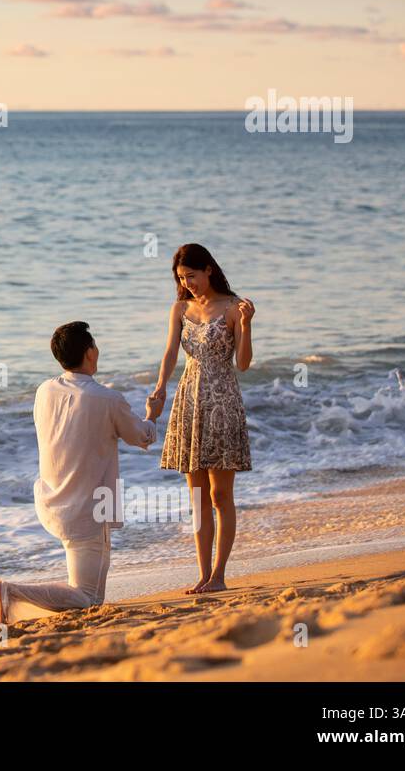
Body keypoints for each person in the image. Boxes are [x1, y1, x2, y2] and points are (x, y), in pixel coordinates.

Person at [0, 321, 160, 624]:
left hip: (52, 500)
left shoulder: (44, 390)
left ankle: (16, 601)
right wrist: (152, 415)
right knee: (89, 596)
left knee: (88, 586)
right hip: (89, 509)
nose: (97, 350)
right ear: (89, 353)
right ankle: (11, 593)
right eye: (94, 345)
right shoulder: (107, 398)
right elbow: (142, 437)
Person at [148, 243, 254, 594]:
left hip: (222, 401)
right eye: (181, 278)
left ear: (208, 269)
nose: (187, 283)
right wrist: (161, 387)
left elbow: (242, 363)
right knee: (197, 498)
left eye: (191, 275)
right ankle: (203, 574)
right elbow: (169, 353)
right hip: (189, 401)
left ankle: (220, 576)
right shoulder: (180, 308)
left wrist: (248, 325)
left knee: (220, 495)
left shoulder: (234, 308)